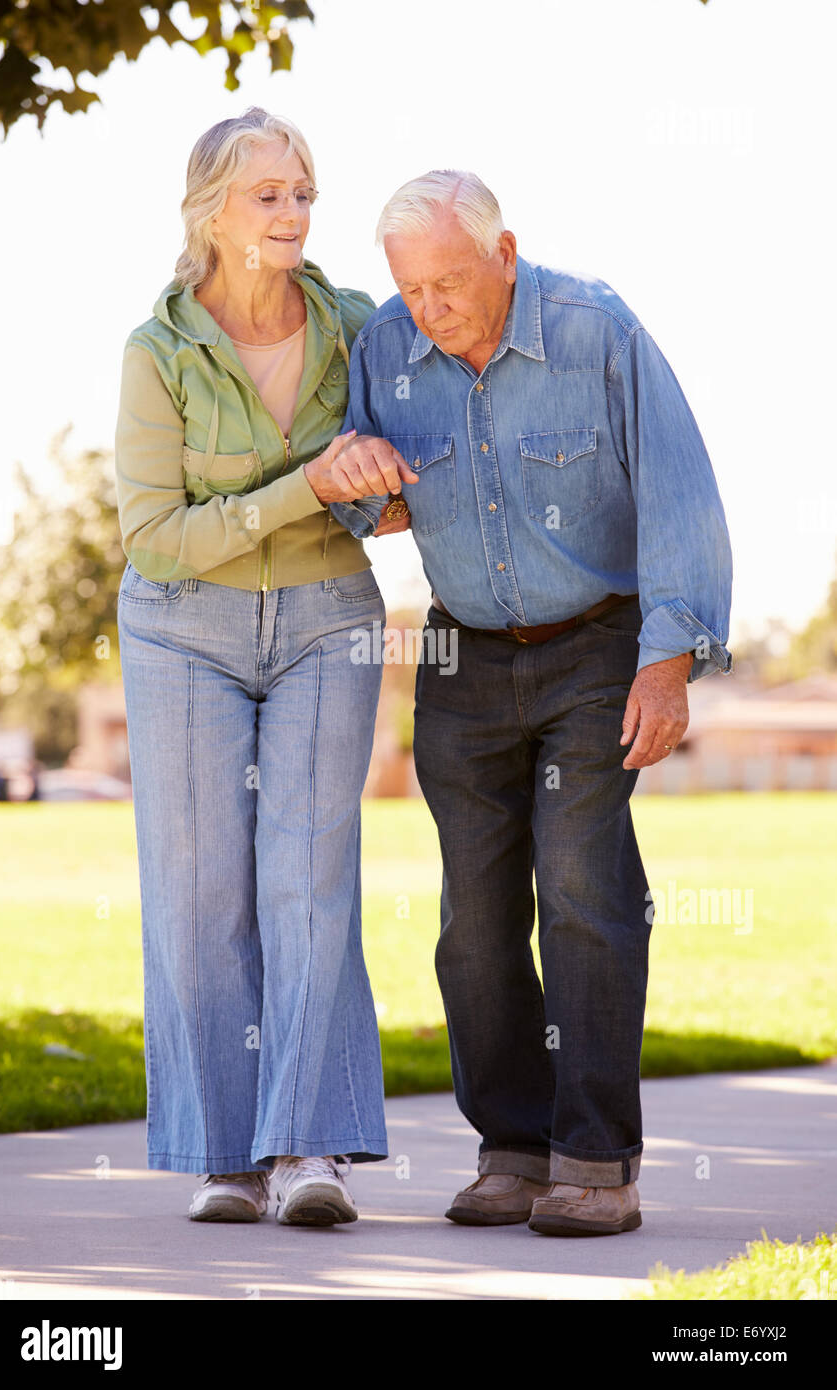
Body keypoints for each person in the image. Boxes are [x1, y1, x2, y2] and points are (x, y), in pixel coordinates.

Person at [332, 170, 733, 1237]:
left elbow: (679, 488)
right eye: (410, 289)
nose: (429, 310)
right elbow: (363, 510)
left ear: (504, 254)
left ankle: (594, 1158)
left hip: (597, 643)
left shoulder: (594, 330)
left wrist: (666, 662)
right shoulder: (384, 350)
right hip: (461, 653)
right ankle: (510, 1147)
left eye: (448, 282)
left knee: (580, 892)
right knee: (472, 920)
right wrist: (349, 469)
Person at [114, 107, 414, 1227]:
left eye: (301, 192)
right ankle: (224, 1158)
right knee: (199, 894)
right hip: (182, 629)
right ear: (211, 212)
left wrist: (378, 480)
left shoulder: (353, 327)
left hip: (327, 621)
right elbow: (155, 537)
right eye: (266, 195)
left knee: (308, 878)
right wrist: (307, 486)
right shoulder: (158, 353)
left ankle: (304, 1152)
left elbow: (384, 492)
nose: (291, 213)